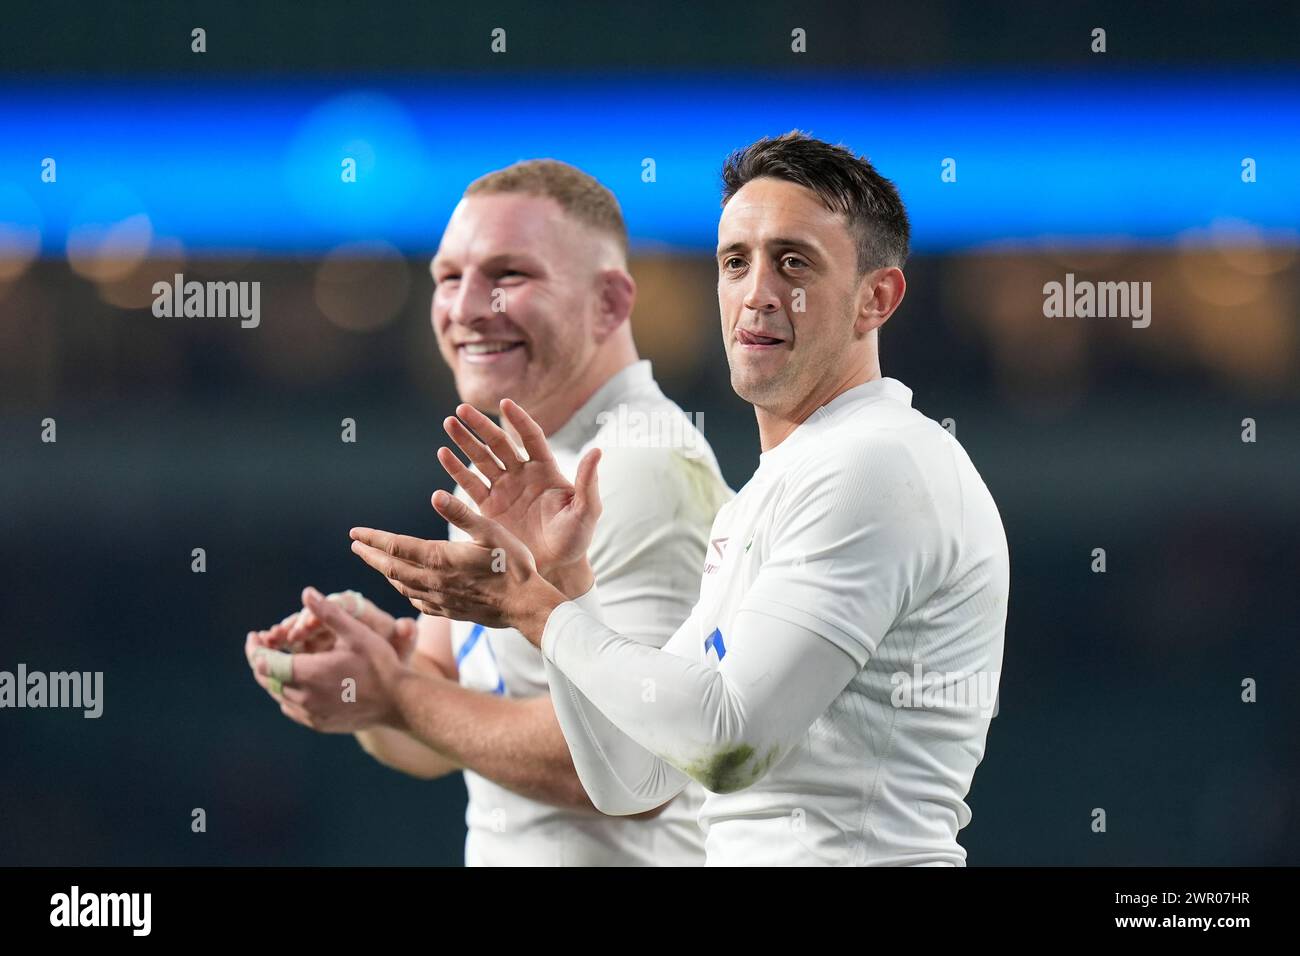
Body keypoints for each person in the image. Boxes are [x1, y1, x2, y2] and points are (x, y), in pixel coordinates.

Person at [343, 132, 1010, 866]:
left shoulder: (878, 462)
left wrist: (532, 608)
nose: (756, 292)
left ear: (874, 299)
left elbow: (728, 743)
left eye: (793, 262)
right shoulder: (769, 491)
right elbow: (632, 773)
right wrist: (563, 587)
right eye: (735, 262)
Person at [245, 159, 731, 866]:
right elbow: (433, 732)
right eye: (448, 277)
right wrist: (374, 674)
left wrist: (399, 694)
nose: (466, 307)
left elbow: (631, 768)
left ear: (609, 302)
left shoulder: (643, 467)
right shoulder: (502, 457)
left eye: (508, 276)